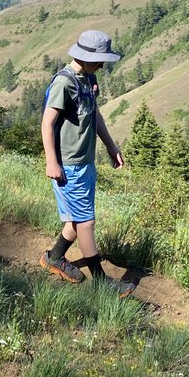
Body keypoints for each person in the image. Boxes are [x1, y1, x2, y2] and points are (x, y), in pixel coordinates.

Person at [40, 29, 133, 297]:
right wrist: (52, 162)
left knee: (76, 218)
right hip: (68, 165)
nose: (103, 65)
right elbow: (47, 123)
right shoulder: (64, 83)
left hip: (85, 163)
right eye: (100, 59)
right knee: (87, 222)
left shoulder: (88, 78)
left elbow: (95, 114)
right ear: (84, 56)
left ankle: (54, 257)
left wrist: (111, 145)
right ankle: (103, 283)